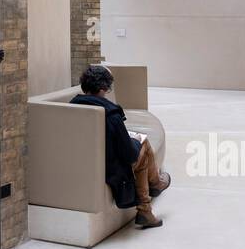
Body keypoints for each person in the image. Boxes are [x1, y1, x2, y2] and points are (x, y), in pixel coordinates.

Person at [71, 65, 170, 229]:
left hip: (83, 162)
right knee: (143, 146)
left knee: (140, 144)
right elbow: (130, 155)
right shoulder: (110, 114)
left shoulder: (73, 106)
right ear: (105, 87)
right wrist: (136, 140)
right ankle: (150, 198)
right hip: (110, 167)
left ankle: (152, 194)